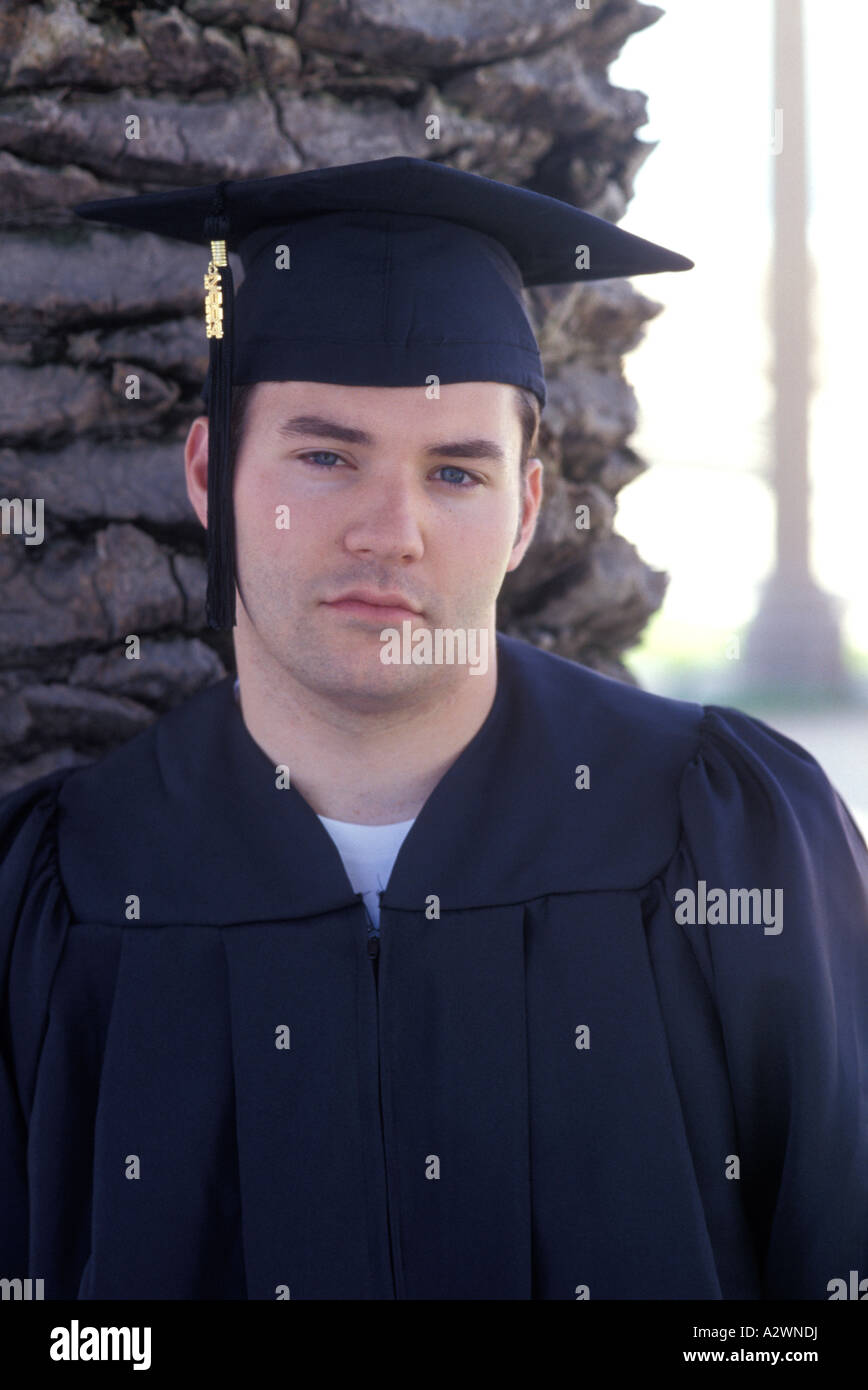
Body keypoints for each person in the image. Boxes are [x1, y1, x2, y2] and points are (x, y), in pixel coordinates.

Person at [1, 158, 866, 1301]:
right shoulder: (62, 896)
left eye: (454, 471)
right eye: (325, 456)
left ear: (520, 512)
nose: (390, 530)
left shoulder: (726, 835)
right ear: (211, 476)